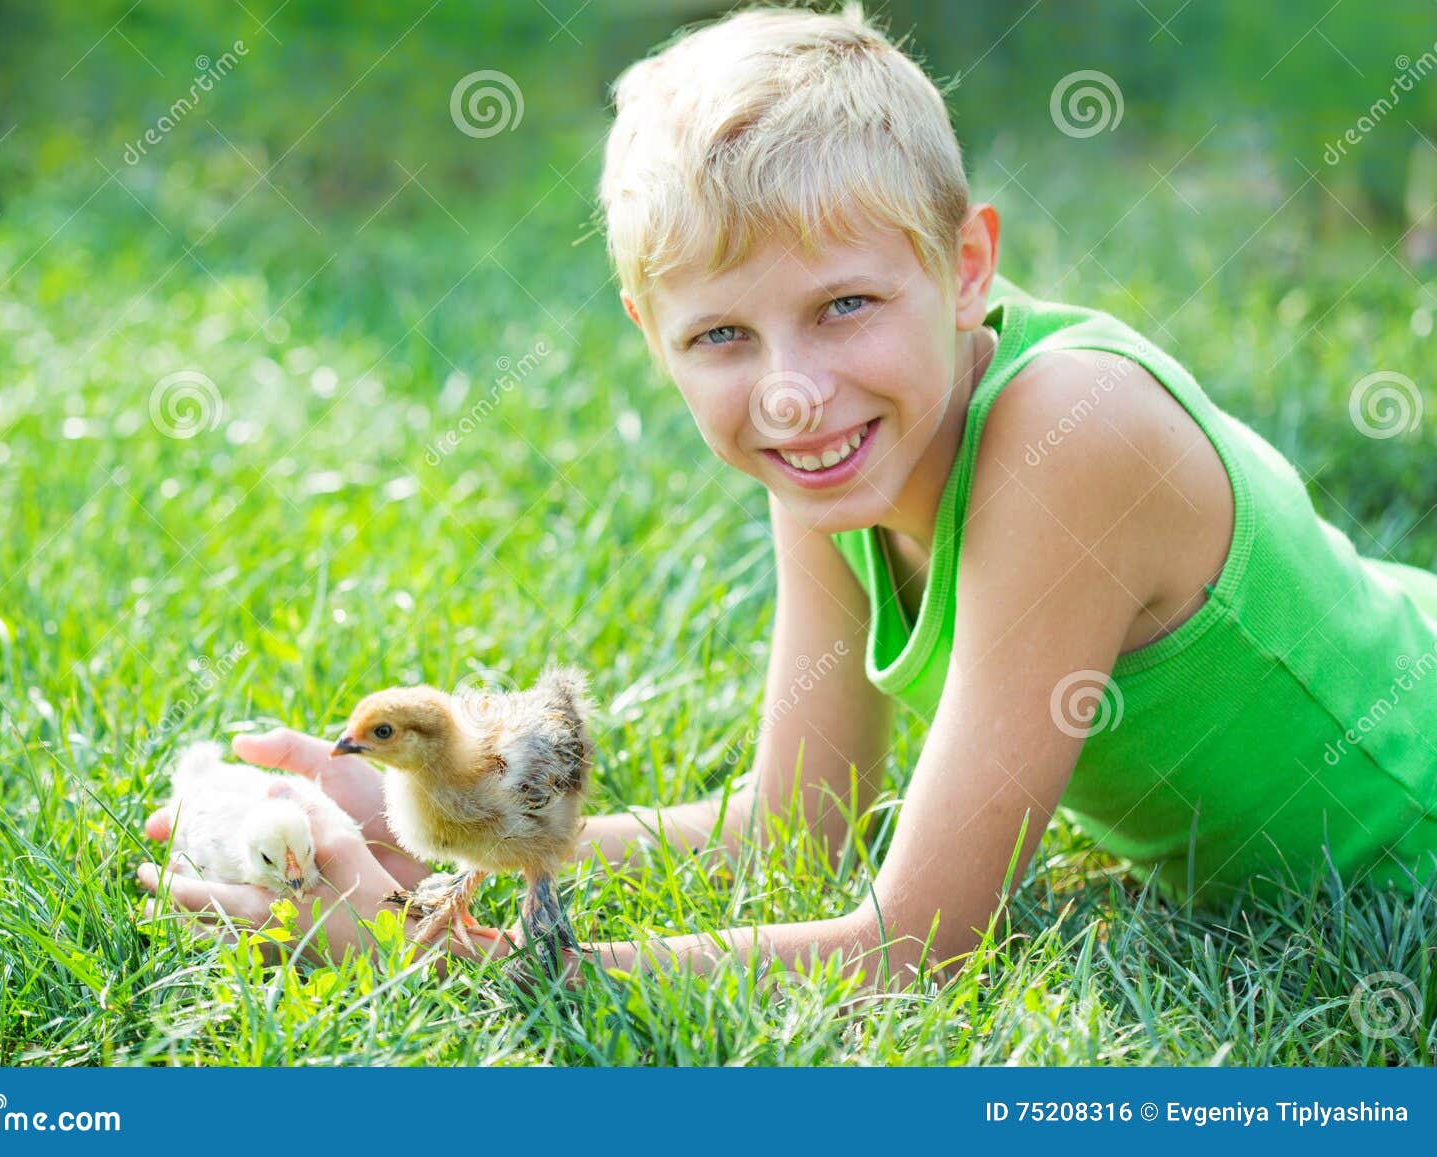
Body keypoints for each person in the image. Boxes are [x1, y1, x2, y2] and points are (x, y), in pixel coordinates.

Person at [137, 2, 1437, 990]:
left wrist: (430, 949)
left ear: (968, 263)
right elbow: (798, 826)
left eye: (846, 305)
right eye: (723, 338)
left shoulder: (1067, 433)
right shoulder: (835, 450)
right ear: (651, 331)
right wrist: (447, 835)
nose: (793, 389)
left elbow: (916, 947)